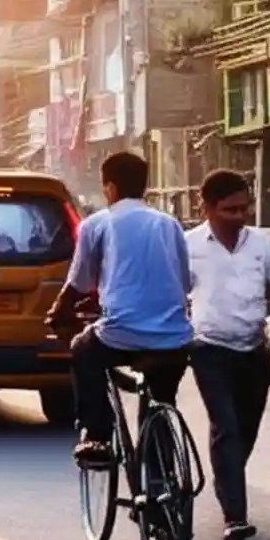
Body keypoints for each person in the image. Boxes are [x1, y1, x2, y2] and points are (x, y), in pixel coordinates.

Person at [45, 151, 194, 468]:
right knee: (161, 398)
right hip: (174, 337)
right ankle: (161, 478)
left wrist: (60, 311)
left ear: (109, 187)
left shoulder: (97, 224)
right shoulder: (169, 225)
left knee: (83, 349)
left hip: (121, 335)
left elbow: (80, 281)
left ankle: (96, 434)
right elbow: (183, 281)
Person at [186, 170, 270, 540]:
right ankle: (235, 514)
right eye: (230, 210)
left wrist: (259, 306)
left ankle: (226, 476)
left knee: (245, 429)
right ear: (209, 208)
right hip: (209, 348)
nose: (239, 216)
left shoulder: (261, 244)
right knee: (226, 427)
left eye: (244, 208)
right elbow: (179, 290)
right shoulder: (189, 245)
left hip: (254, 350)